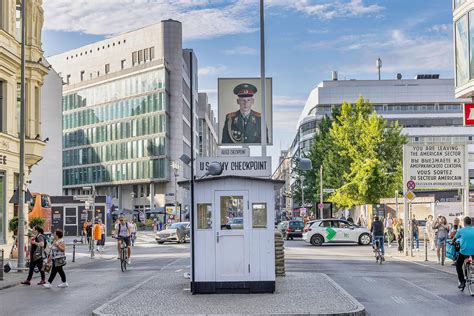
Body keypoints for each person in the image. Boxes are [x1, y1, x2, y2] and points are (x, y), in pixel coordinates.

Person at [454, 216, 474, 290]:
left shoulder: (461, 230)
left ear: (464, 223)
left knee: (458, 265)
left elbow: (454, 239)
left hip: (464, 251)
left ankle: (462, 281)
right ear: (470, 223)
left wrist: (452, 242)